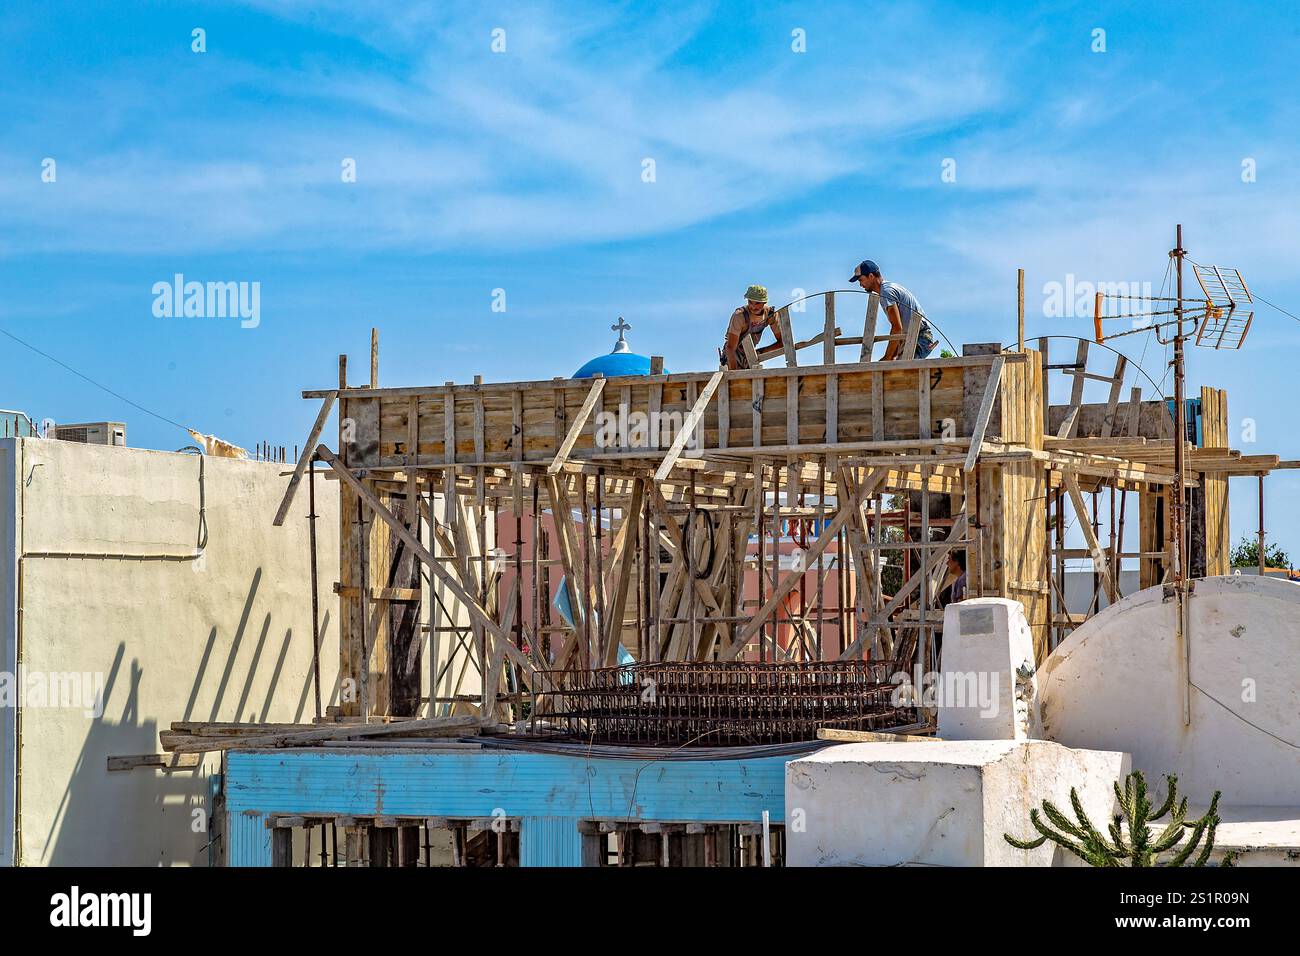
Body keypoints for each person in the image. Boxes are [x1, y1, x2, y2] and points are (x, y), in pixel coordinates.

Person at [849, 259, 937, 360]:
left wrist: (888, 356)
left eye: (860, 280)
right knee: (894, 369)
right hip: (912, 338)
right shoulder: (888, 289)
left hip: (919, 338)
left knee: (899, 372)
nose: (860, 285)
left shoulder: (886, 292)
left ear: (871, 276)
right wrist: (891, 356)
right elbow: (900, 329)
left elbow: (897, 328)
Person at [720, 284, 783, 370]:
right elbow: (730, 348)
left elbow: (782, 342)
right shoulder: (739, 316)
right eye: (750, 302)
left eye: (757, 303)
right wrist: (734, 374)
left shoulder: (770, 315)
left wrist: (759, 353)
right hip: (733, 357)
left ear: (764, 302)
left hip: (750, 355)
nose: (753, 306)